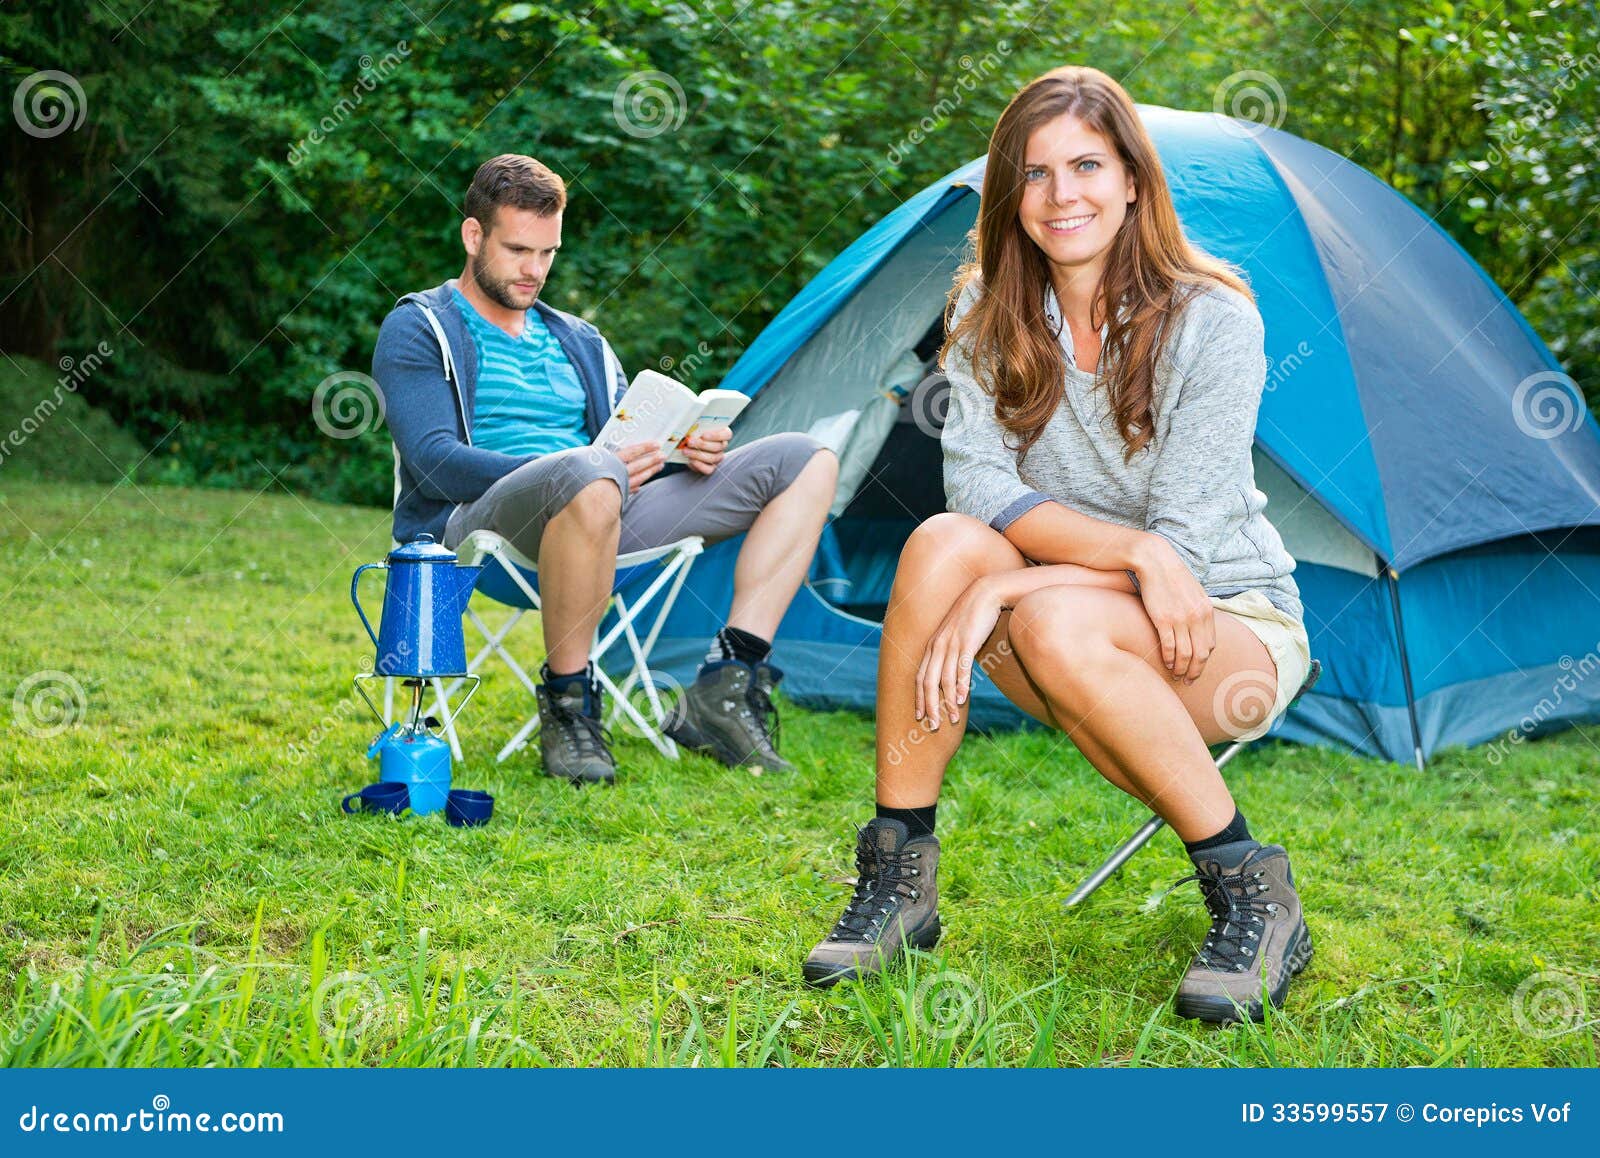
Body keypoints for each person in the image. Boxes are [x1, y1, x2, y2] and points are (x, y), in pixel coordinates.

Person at [801, 67, 1314, 1024]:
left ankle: (1253, 893)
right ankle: (899, 873)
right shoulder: (987, 314)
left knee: (1043, 611)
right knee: (944, 544)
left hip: (1223, 624)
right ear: (1011, 196)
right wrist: (1088, 569)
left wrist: (1024, 590)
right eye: (1034, 174)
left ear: (1131, 179)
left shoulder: (1214, 319)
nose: (1061, 194)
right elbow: (981, 490)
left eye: (1086, 165)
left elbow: (1188, 546)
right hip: (1067, 622)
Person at [373, 154, 838, 786]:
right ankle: (569, 703)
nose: (535, 270)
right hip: (484, 530)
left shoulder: (581, 342)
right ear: (473, 235)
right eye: (518, 251)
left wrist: (682, 448)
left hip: (601, 512)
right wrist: (582, 467)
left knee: (806, 459)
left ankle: (725, 685)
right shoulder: (420, 326)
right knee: (590, 471)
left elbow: (618, 447)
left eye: (548, 253)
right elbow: (434, 464)